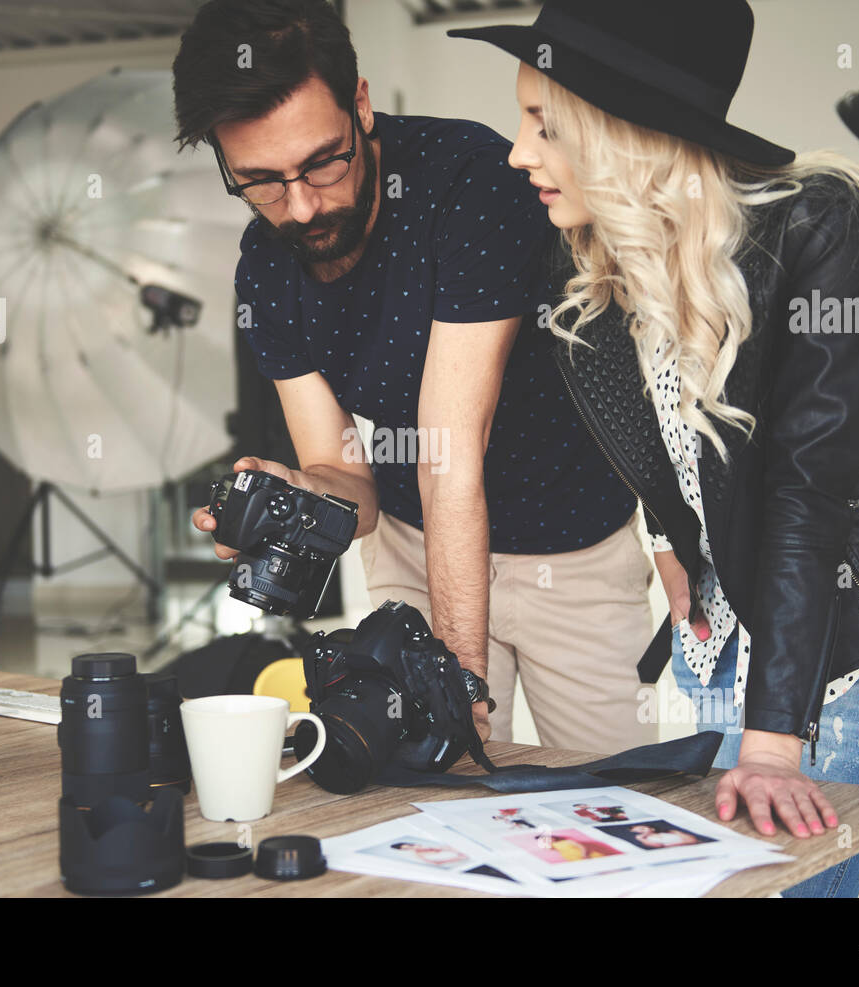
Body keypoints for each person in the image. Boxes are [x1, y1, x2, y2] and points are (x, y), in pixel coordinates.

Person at [450, 0, 859, 897]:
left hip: (849, 648)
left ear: (624, 129)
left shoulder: (826, 223)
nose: (518, 152)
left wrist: (775, 741)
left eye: (544, 124)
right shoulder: (610, 251)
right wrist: (671, 537)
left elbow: (811, 494)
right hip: (720, 643)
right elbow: (662, 428)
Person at [172, 0, 658, 754]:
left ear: (360, 104)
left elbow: (448, 457)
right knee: (422, 798)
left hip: (573, 559)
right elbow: (348, 481)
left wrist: (456, 682)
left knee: (611, 806)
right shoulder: (265, 265)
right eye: (261, 182)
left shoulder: (472, 187)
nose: (300, 207)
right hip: (412, 546)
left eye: (321, 163)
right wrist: (306, 498)